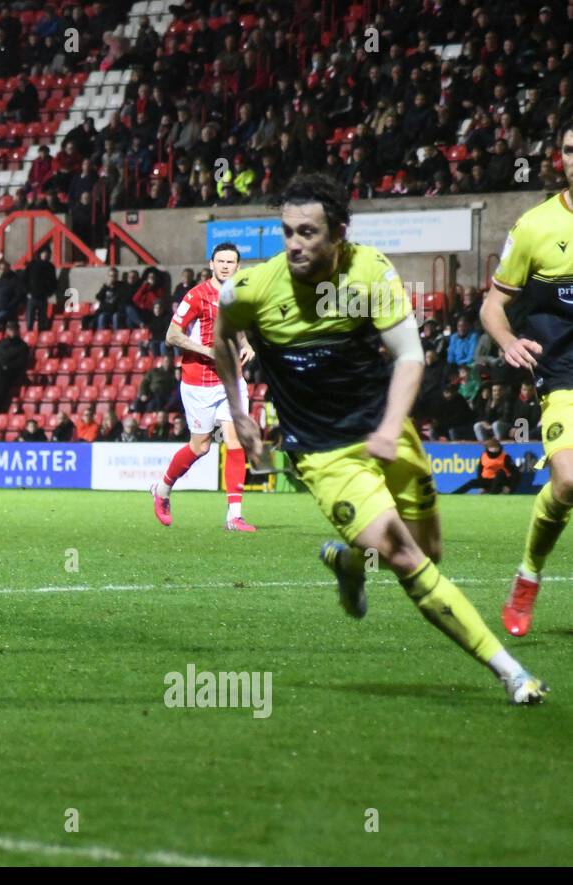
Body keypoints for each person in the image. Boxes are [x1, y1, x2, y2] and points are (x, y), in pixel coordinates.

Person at [214, 171, 546, 704]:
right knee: (405, 558)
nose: (295, 244)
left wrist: (392, 429)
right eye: (287, 232)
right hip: (324, 453)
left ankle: (349, 563)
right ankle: (511, 673)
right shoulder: (251, 289)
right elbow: (221, 339)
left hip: (385, 431)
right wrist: (241, 411)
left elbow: (411, 355)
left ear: (338, 234)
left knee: (429, 553)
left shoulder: (370, 270)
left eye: (308, 233)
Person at [483, 118, 573, 639]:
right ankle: (528, 575)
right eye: (567, 149)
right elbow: (494, 306)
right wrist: (507, 340)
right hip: (561, 375)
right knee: (567, 480)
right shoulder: (535, 227)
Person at [153, 243, 257, 532]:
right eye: (220, 261)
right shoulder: (196, 296)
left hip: (231, 380)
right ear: (211, 264)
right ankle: (162, 489)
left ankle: (234, 516)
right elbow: (172, 336)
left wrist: (246, 344)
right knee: (200, 447)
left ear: (238, 267)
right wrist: (206, 351)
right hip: (199, 382)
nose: (225, 266)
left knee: (235, 440)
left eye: (230, 262)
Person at [453, 438, 519, 495]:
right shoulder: (484, 455)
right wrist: (481, 485)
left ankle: (492, 493)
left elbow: (515, 473)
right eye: (492, 447)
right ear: (487, 448)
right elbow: (479, 469)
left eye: (496, 447)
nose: (494, 449)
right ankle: (453, 494)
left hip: (501, 482)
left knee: (500, 472)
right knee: (472, 482)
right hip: (487, 481)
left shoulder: (505, 457)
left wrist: (509, 486)